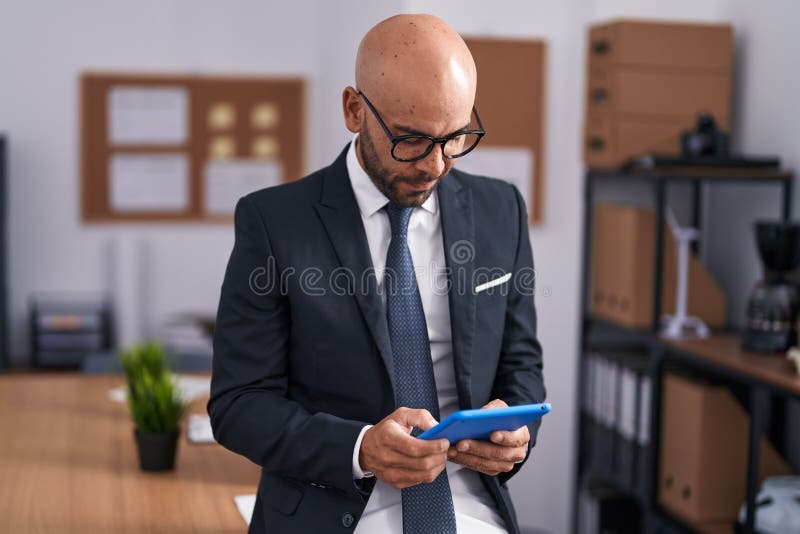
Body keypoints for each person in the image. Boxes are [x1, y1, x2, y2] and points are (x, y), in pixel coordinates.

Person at [208, 13, 546, 534]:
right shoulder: (273, 223)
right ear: (353, 110)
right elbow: (238, 403)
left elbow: (521, 363)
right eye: (410, 139)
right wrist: (360, 448)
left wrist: (514, 430)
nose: (435, 165)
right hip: (333, 510)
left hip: (475, 510)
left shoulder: (502, 209)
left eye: (455, 137)